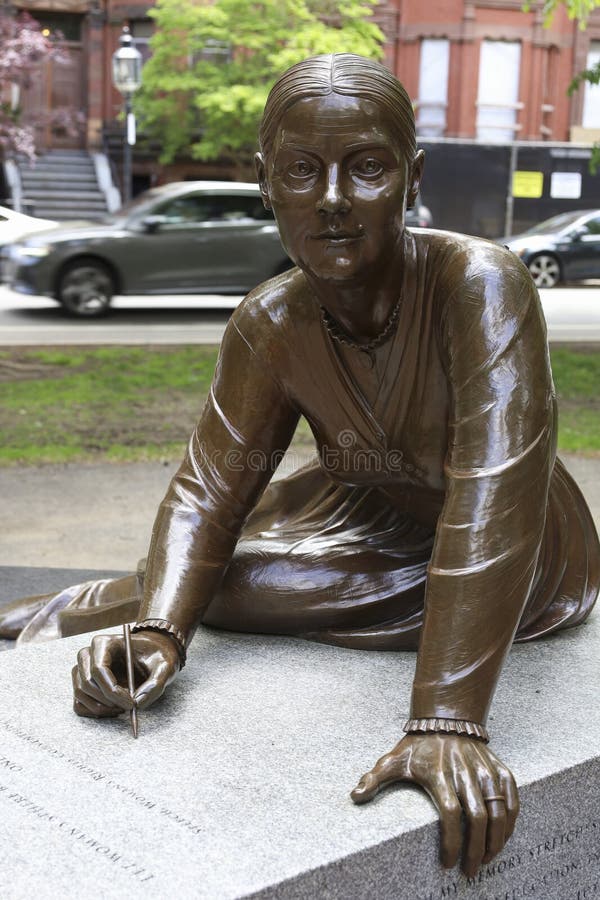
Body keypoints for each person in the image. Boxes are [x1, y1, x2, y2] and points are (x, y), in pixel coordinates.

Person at [3, 54, 599, 877]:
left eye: (366, 168)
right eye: (300, 170)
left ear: (413, 178)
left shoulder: (480, 284)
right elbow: (208, 490)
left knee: (241, 583)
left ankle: (77, 605)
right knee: (209, 559)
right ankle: (121, 606)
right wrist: (163, 629)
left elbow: (494, 493)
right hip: (358, 499)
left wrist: (447, 718)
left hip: (513, 539)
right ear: (265, 182)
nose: (331, 199)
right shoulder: (270, 320)